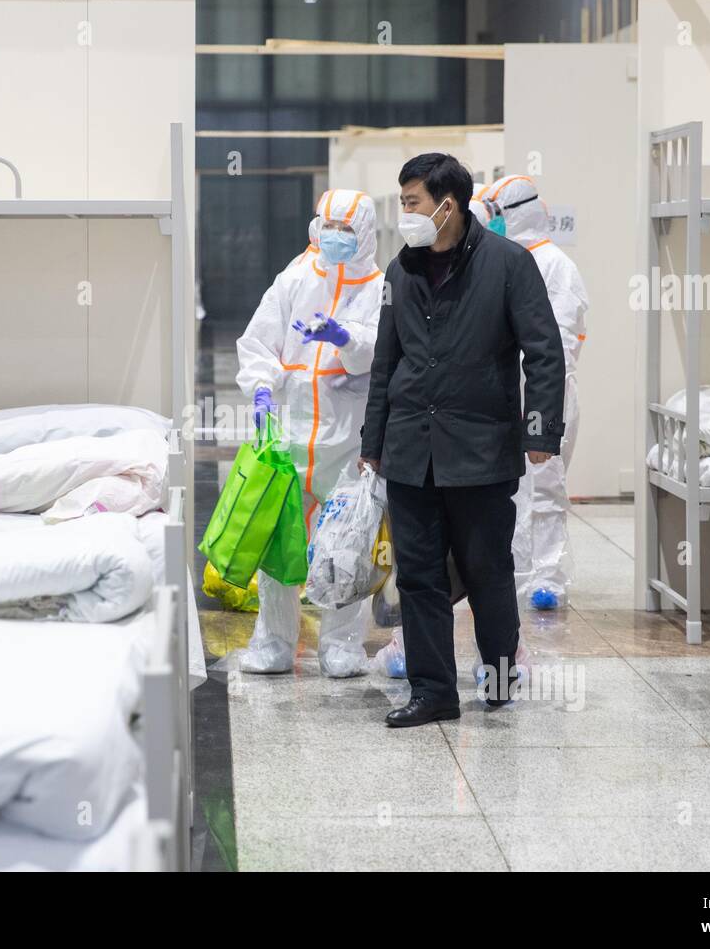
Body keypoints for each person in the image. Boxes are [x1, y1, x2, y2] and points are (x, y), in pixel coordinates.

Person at [359, 154, 565, 727]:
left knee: (486, 571)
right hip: (410, 451)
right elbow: (385, 362)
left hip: (480, 450)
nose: (405, 214)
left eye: (412, 202)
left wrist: (540, 430)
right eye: (401, 203)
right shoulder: (400, 272)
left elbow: (544, 350)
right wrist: (371, 442)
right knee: (419, 577)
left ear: (448, 204)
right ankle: (433, 693)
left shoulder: (508, 265)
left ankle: (499, 677)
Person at [234, 189, 387, 677]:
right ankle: (275, 641)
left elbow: (380, 354)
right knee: (280, 541)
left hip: (348, 436)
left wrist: (346, 339)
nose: (336, 236)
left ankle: (341, 644)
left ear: (364, 234)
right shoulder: (295, 278)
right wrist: (261, 390)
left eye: (347, 229)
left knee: (347, 544)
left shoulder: (380, 287)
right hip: (292, 432)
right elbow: (259, 340)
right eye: (329, 225)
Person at [483, 175, 589, 610]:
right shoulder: (497, 260)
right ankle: (515, 570)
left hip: (545, 394)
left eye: (494, 213)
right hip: (504, 394)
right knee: (511, 488)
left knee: (544, 485)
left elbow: (558, 343)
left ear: (516, 213)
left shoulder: (555, 266)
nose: (489, 222)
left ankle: (548, 577)